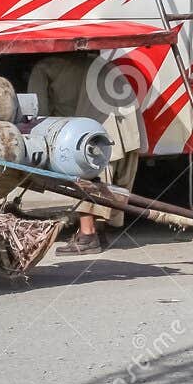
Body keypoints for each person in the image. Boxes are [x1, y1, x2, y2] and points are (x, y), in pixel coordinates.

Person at [26, 53, 140, 257]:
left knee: (85, 174)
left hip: (98, 126)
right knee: (113, 180)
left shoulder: (42, 68)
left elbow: (38, 115)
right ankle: (100, 230)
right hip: (130, 121)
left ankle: (88, 235)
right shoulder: (94, 61)